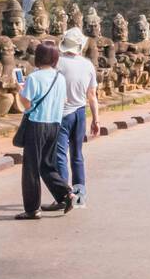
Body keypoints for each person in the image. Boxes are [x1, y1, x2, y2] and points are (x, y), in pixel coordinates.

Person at [15, 40, 73, 220]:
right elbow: (63, 101)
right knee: (47, 164)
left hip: (37, 124)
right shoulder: (60, 77)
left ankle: (32, 209)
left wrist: (20, 89)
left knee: (31, 168)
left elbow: (27, 103)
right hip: (54, 124)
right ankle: (66, 193)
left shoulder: (34, 77)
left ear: (38, 57)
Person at [56, 27, 99, 210]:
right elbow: (92, 95)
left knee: (60, 156)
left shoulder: (57, 63)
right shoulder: (88, 65)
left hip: (62, 113)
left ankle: (65, 195)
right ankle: (80, 197)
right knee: (77, 155)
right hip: (80, 113)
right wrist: (96, 119)